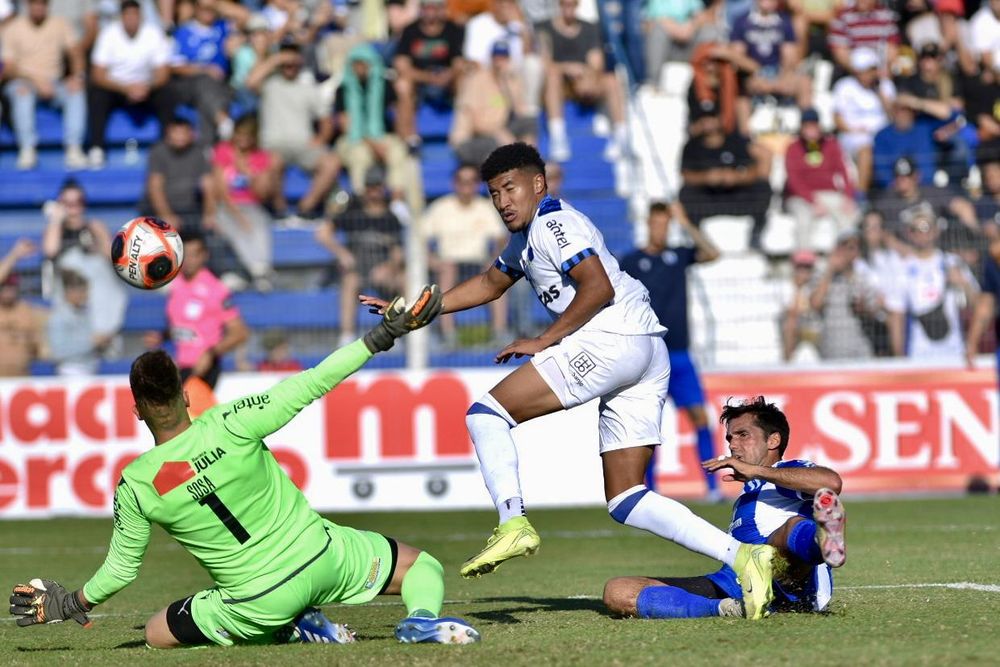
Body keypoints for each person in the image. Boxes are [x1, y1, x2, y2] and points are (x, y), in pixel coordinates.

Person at [359, 142, 778, 620]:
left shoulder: (555, 223)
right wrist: (417, 311)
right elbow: (491, 284)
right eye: (494, 193)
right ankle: (745, 556)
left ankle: (513, 521)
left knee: (486, 415)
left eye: (510, 188)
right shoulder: (527, 237)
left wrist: (545, 339)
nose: (502, 202)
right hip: (644, 349)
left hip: (610, 340)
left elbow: (596, 286)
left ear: (538, 184)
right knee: (626, 498)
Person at [9, 286, 483, 647]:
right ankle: (420, 620)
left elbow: (121, 570)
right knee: (422, 566)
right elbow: (316, 380)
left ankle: (294, 628)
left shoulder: (136, 484)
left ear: (136, 410)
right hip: (324, 558)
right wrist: (383, 335)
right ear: (187, 393)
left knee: (156, 632)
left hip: (257, 601)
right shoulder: (232, 420)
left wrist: (71, 603)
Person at [603, 396, 846, 620]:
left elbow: (831, 483)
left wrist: (757, 471)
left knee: (792, 527)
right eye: (730, 437)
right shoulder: (752, 489)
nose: (733, 445)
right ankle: (733, 608)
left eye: (743, 435)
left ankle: (822, 542)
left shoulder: (787, 470)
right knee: (618, 591)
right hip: (737, 580)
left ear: (773, 440)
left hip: (790, 580)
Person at [619, 201, 723, 501]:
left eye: (666, 223)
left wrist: (686, 221)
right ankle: (649, 491)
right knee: (649, 425)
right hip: (650, 355)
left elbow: (713, 253)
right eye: (657, 223)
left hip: (680, 353)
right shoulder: (633, 261)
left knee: (700, 417)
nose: (661, 228)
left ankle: (713, 488)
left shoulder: (678, 256)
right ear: (648, 224)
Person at [247, 42, 342, 221]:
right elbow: (251, 81)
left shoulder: (309, 87)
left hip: (303, 145)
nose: (289, 65)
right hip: (273, 145)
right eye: (286, 62)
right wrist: (276, 59)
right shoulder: (269, 84)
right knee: (272, 162)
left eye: (293, 61)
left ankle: (305, 209)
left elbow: (326, 120)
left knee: (332, 162)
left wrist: (321, 139)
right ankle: (280, 211)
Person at [316, 166, 406, 347]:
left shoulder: (391, 217)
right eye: (370, 187)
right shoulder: (352, 211)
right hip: (356, 268)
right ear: (365, 189)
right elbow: (323, 234)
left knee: (405, 281)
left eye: (378, 187)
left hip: (383, 269)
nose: (374, 192)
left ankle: (400, 331)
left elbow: (398, 253)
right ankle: (347, 337)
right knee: (349, 282)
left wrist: (390, 267)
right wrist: (342, 254)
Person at [420, 163, 509, 346]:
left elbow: (501, 239)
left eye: (471, 181)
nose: (466, 186)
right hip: (447, 265)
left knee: (496, 272)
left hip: (480, 265)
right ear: (455, 183)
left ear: (477, 184)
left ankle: (499, 331)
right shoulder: (440, 208)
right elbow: (420, 240)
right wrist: (432, 260)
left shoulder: (486, 207)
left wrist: (496, 257)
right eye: (462, 181)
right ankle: (448, 333)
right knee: (447, 270)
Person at [535, 0, 627, 162]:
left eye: (573, 4)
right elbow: (545, 62)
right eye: (565, 4)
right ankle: (558, 136)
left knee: (611, 80)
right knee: (553, 76)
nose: (569, 7)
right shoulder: (544, 28)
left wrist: (586, 75)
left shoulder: (590, 28)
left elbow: (596, 61)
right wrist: (567, 68)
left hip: (584, 80)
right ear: (559, 5)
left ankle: (621, 135)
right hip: (559, 84)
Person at [156, 231, 250, 390]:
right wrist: (161, 337)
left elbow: (240, 332)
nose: (189, 261)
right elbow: (182, 328)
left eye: (194, 254)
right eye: (185, 255)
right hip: (180, 368)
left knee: (193, 413)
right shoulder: (175, 286)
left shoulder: (216, 290)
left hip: (204, 370)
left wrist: (211, 354)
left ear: (204, 256)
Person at [41, 180, 129, 349]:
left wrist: (97, 242)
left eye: (78, 202)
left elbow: (114, 256)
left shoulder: (95, 226)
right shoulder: (55, 230)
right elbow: (50, 251)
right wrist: (56, 220)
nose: (74, 208)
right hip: (72, 300)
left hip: (99, 298)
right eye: (67, 203)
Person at [1, 0, 87, 170]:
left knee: (76, 92)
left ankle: (74, 148)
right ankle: (27, 149)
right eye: (35, 3)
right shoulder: (13, 28)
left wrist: (77, 77)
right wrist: (36, 81)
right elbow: (9, 68)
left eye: (42, 3)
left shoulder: (60, 24)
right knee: (21, 93)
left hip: (55, 81)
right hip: (23, 79)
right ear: (27, 5)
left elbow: (75, 52)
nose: (38, 7)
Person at [677, 101, 773, 251]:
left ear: (719, 119)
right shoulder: (692, 146)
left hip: (735, 195)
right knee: (686, 194)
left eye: (712, 118)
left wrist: (736, 177)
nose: (708, 123)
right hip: (708, 198)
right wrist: (707, 177)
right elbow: (686, 175)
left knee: (763, 188)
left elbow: (754, 170)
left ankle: (756, 234)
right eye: (704, 119)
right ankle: (695, 239)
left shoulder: (735, 141)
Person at [86, 0, 172, 169]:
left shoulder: (153, 34)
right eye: (128, 15)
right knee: (96, 92)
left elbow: (163, 73)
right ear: (121, 17)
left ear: (142, 17)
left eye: (135, 15)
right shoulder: (108, 34)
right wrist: (126, 88)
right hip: (117, 88)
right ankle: (97, 147)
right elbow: (98, 74)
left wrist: (146, 87)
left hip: (147, 87)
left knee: (168, 93)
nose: (132, 19)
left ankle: (165, 147)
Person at [886, 208, 979, 360]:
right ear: (909, 233)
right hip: (918, 354)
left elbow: (979, 304)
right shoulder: (902, 268)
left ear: (936, 231)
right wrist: (899, 359)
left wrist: (963, 283)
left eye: (926, 228)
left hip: (954, 352)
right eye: (916, 229)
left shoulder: (952, 262)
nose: (922, 234)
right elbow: (896, 317)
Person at [212, 114, 279, 291]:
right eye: (239, 134)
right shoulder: (223, 151)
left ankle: (262, 269)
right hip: (226, 207)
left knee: (260, 227)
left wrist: (248, 173)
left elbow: (262, 194)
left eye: (247, 136)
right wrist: (238, 215)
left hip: (252, 205)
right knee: (238, 230)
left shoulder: (261, 157)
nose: (242, 139)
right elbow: (220, 191)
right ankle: (257, 270)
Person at [449, 39, 536, 167]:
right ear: (491, 58)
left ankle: (529, 162)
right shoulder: (476, 80)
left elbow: (519, 112)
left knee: (529, 122)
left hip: (499, 133)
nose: (499, 61)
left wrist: (506, 82)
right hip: (471, 140)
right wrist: (499, 133)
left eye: (503, 57)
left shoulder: (510, 79)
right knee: (496, 147)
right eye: (496, 57)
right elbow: (475, 122)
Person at [393, 0, 465, 151]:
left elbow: (458, 62)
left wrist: (448, 75)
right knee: (402, 85)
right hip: (419, 80)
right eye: (426, 7)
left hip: (447, 81)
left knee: (464, 79)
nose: (430, 12)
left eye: (434, 8)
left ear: (441, 10)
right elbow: (401, 64)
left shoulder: (452, 29)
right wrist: (427, 77)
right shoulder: (410, 30)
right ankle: (410, 138)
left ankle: (461, 133)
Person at [783, 107, 858, 252]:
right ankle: (804, 259)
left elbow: (844, 171)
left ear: (819, 127)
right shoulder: (793, 148)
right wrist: (812, 200)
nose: (811, 131)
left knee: (849, 213)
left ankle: (846, 255)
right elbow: (793, 180)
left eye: (813, 126)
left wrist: (848, 197)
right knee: (803, 218)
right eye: (807, 127)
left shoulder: (831, 145)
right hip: (800, 197)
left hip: (828, 193)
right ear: (801, 128)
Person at [809, 230, 881, 360]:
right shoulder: (822, 275)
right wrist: (830, 271)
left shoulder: (863, 278)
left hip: (860, 351)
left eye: (852, 248)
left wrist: (863, 309)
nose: (846, 252)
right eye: (843, 247)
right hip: (832, 351)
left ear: (857, 252)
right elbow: (815, 304)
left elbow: (875, 313)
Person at [831, 47, 895, 193]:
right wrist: (855, 130)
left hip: (883, 135)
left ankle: (890, 193)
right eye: (861, 72)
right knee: (866, 150)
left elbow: (893, 116)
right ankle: (861, 195)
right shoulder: (844, 86)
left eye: (869, 70)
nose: (865, 76)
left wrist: (880, 92)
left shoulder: (885, 85)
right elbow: (837, 119)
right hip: (853, 136)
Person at [47, 270, 109, 376]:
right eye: (81, 291)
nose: (85, 295)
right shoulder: (58, 317)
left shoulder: (86, 313)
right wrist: (91, 343)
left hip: (91, 368)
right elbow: (58, 352)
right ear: (69, 292)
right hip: (70, 371)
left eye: (85, 291)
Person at [0, 240, 46, 378]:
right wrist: (15, 255)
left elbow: (40, 348)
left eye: (11, 287)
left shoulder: (27, 311)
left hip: (21, 379)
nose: (7, 291)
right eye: (3, 287)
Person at [779, 249, 821, 361]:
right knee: (790, 324)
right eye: (800, 267)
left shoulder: (816, 285)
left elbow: (817, 305)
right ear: (794, 268)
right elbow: (792, 311)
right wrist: (798, 288)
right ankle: (787, 363)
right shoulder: (786, 287)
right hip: (796, 330)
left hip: (814, 328)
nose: (804, 271)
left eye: (808, 267)